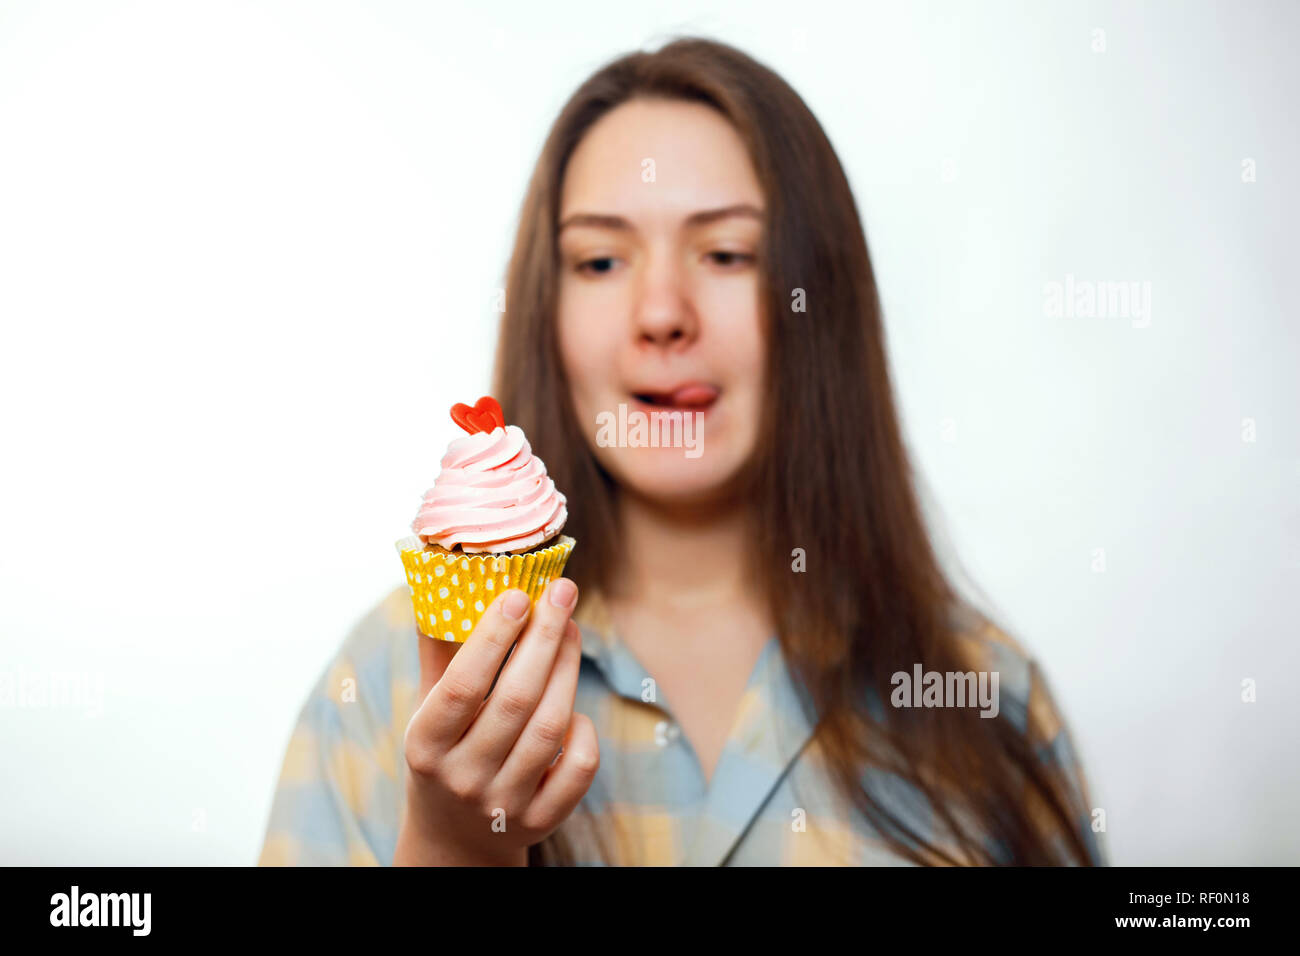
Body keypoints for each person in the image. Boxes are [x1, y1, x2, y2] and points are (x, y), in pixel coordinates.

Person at [258, 36, 1105, 867]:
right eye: (600, 261)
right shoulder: (386, 685)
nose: (662, 312)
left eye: (727, 254)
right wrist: (455, 849)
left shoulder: (986, 695)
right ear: (548, 313)